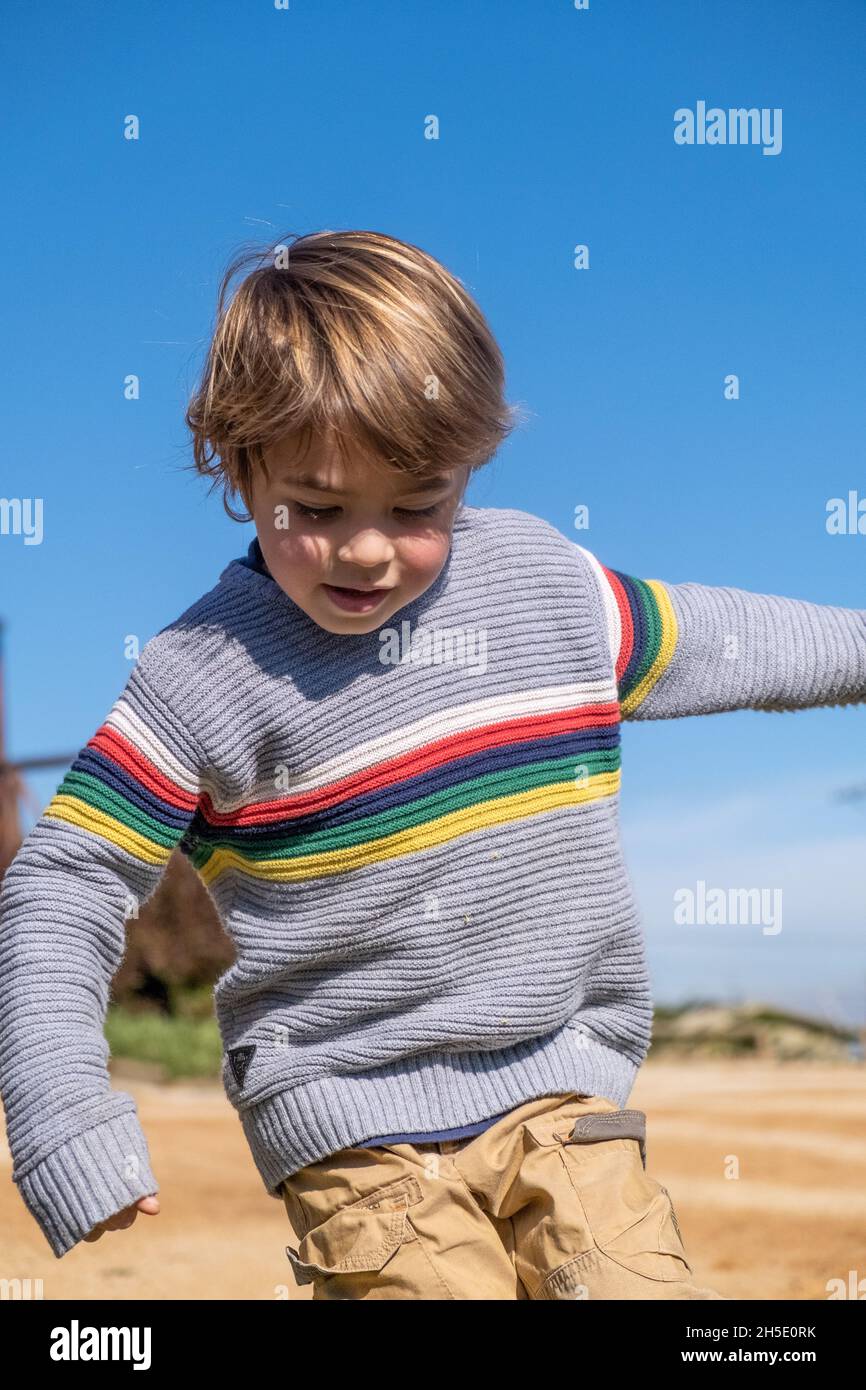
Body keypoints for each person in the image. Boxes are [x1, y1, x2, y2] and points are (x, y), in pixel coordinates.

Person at [1, 230, 863, 1298]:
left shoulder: (543, 588)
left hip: (565, 1098)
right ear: (238, 465)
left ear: (471, 463)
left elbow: (732, 639)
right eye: (313, 509)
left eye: (417, 505)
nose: (365, 548)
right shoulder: (198, 677)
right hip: (356, 1138)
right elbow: (62, 883)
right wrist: (62, 1108)